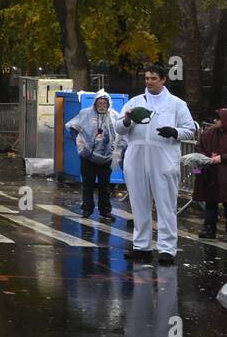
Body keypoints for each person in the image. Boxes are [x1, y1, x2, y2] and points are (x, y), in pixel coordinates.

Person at [116, 64, 197, 265]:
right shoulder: (135, 103)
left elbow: (190, 129)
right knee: (139, 203)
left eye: (153, 78)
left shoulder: (176, 104)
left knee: (166, 204)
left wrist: (175, 132)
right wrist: (127, 119)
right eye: (147, 78)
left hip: (163, 158)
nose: (149, 82)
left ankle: (167, 249)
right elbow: (119, 128)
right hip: (136, 157)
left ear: (163, 80)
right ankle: (142, 246)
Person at [65, 90, 118, 222]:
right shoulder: (85, 113)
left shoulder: (113, 115)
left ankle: (105, 211)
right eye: (99, 102)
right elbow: (71, 125)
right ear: (95, 102)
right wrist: (80, 144)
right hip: (88, 156)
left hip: (106, 157)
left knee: (104, 186)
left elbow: (120, 132)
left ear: (108, 103)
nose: (102, 104)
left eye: (104, 102)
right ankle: (87, 209)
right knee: (88, 184)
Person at [193, 107, 227, 238]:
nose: (215, 121)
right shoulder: (209, 133)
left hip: (222, 174)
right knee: (210, 202)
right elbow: (199, 146)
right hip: (210, 172)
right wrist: (204, 158)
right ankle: (209, 228)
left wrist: (222, 157)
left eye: (218, 119)